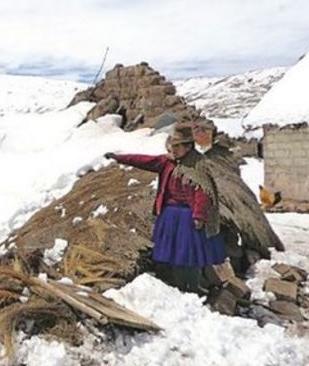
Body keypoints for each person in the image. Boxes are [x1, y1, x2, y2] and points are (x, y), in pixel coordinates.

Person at [105, 124, 226, 293]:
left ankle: (191, 289)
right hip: (169, 215)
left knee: (188, 255)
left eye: (177, 146)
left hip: (187, 217)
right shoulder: (167, 162)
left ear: (188, 146)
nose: (173, 149)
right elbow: (143, 160)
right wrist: (119, 158)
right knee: (172, 254)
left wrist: (199, 215)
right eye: (172, 146)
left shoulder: (198, 166)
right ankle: (175, 287)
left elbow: (203, 193)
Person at [189, 118, 284, 272]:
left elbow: (231, 176)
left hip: (233, 199)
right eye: (198, 131)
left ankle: (249, 253)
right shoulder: (190, 154)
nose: (202, 135)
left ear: (212, 134)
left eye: (206, 131)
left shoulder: (222, 155)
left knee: (242, 224)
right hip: (207, 204)